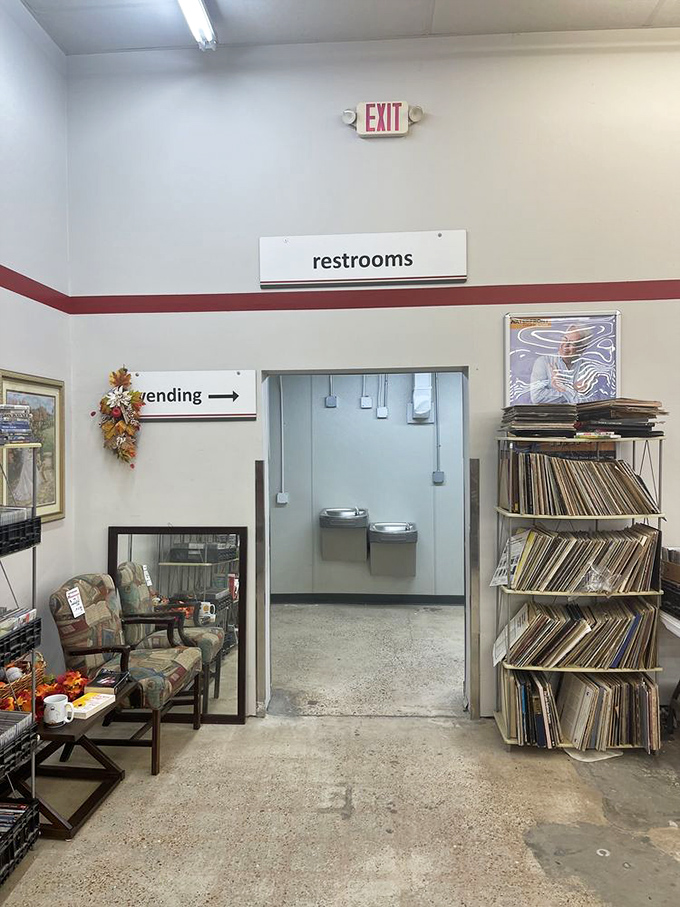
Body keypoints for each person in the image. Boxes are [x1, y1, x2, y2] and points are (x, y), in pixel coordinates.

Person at [529, 324, 597, 404]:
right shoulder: (543, 362)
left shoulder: (588, 369)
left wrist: (562, 388)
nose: (565, 345)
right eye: (564, 339)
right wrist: (573, 389)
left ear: (582, 349)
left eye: (573, 343)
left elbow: (590, 403)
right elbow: (537, 397)